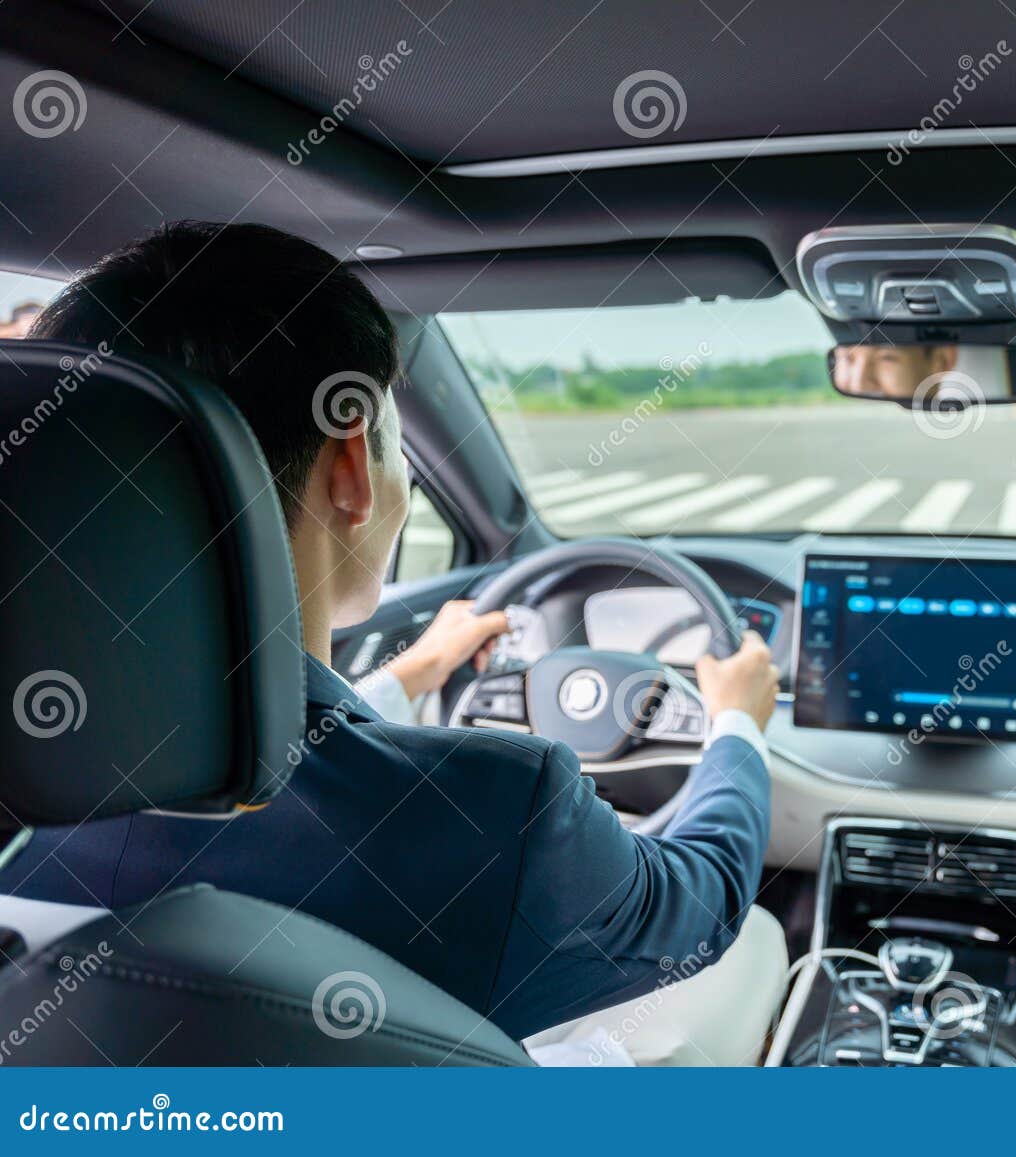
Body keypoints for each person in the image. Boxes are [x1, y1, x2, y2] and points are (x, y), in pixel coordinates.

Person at [0, 221, 783, 1055]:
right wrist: (738, 726)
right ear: (351, 468)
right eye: (396, 440)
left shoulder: (33, 770)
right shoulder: (497, 811)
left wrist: (413, 673)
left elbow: (292, 791)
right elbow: (700, 905)